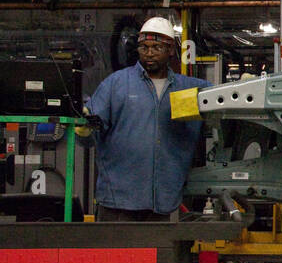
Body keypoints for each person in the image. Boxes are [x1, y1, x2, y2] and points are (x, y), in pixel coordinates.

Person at [81, 17, 210, 221]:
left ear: (170, 51)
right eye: (144, 47)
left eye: (157, 47)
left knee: (159, 253)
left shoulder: (188, 89)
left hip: (163, 203)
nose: (149, 53)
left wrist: (244, 85)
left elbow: (223, 99)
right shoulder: (116, 84)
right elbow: (87, 134)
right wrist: (83, 128)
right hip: (118, 204)